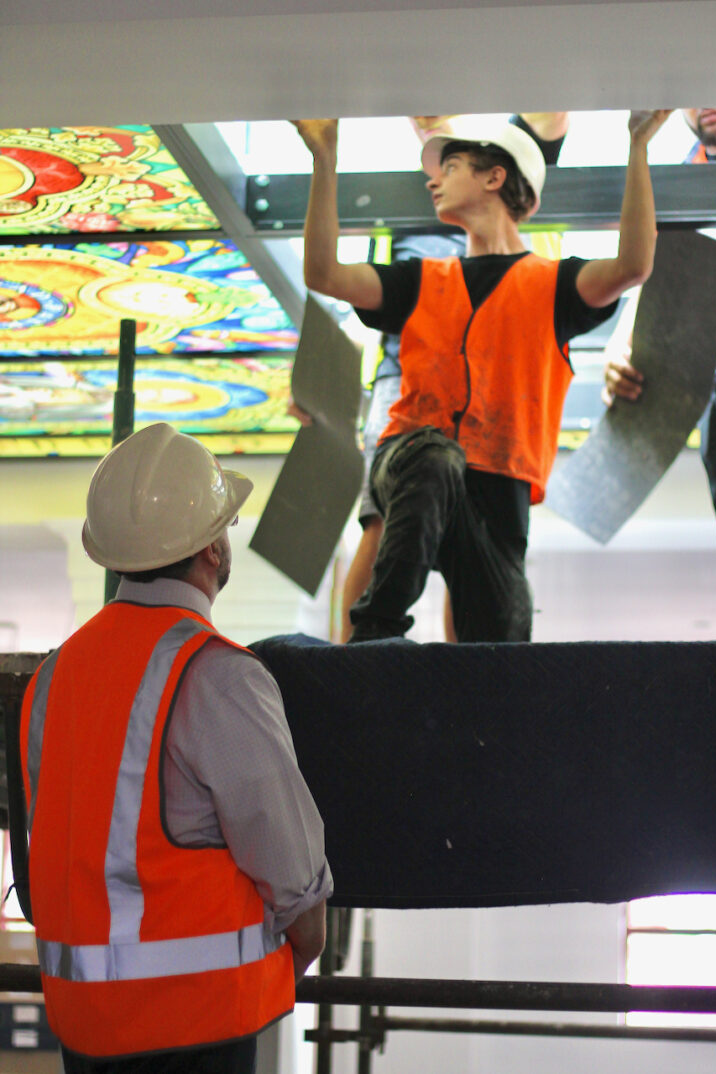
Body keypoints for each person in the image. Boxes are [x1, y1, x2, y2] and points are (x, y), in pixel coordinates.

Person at [20, 422, 332, 1073]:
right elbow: (294, 874)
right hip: (196, 1029)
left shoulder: (54, 675)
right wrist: (299, 950)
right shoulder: (218, 675)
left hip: (83, 1030)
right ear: (212, 551)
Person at [295, 109, 670, 643]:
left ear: (495, 177)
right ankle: (373, 642)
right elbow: (323, 274)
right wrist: (324, 156)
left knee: (503, 638)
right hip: (411, 464)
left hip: (500, 485)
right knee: (437, 459)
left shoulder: (554, 285)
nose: (433, 179)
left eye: (450, 166)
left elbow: (634, 264)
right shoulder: (420, 280)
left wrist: (638, 145)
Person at [341, 112, 570, 643]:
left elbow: (551, 121)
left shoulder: (503, 156)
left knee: (473, 538)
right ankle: (355, 650)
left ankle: (461, 656)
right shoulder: (414, 198)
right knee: (390, 514)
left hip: (495, 371)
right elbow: (356, 288)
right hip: (409, 372)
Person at [604, 107, 716, 632]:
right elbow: (652, 275)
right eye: (690, 95)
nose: (706, 103)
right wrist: (621, 341)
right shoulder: (677, 183)